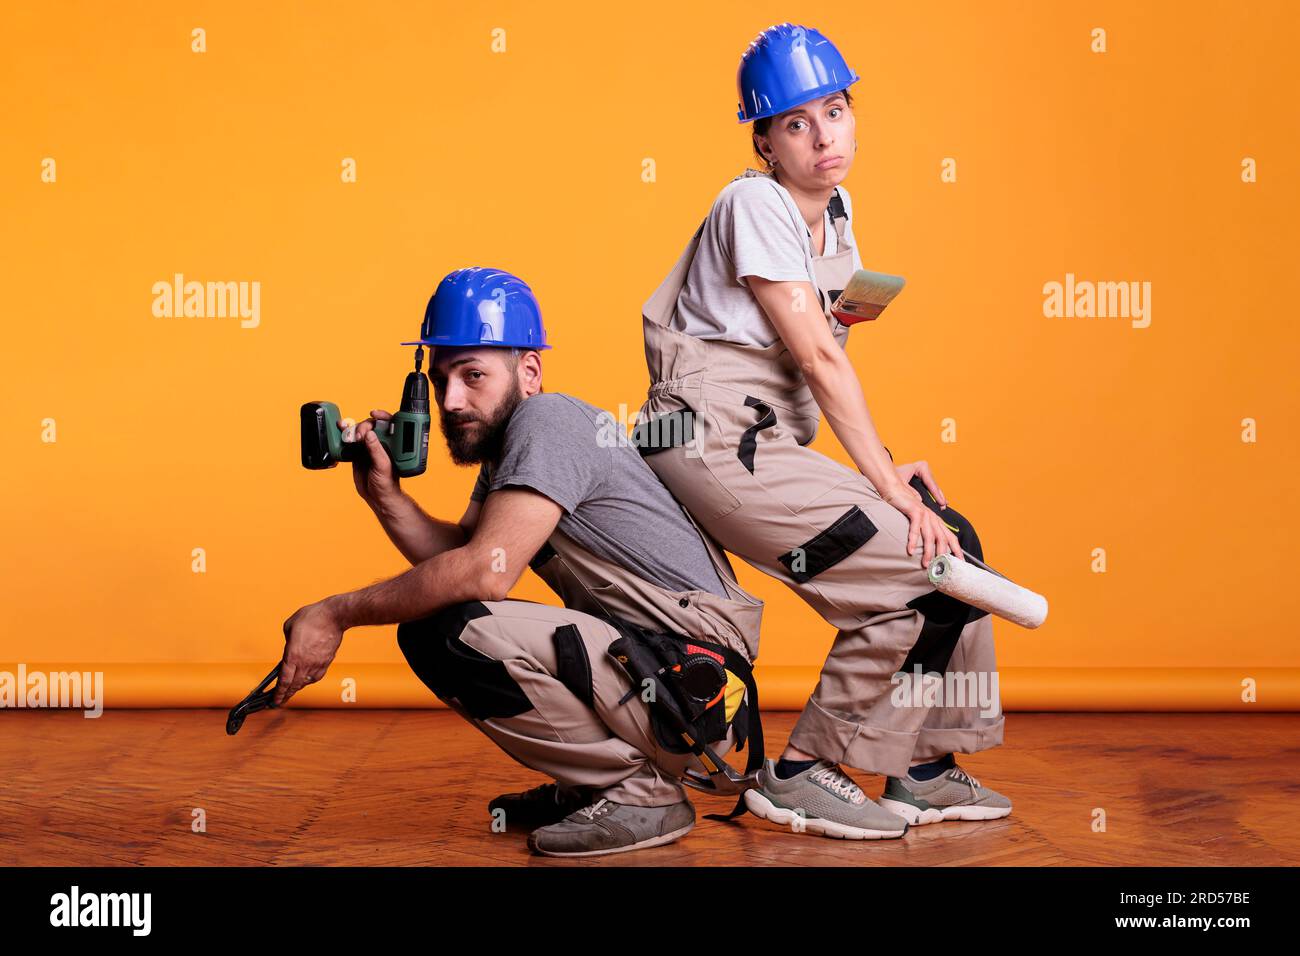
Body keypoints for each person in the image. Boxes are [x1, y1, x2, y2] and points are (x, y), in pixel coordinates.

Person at [634, 22, 1011, 838]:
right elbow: (818, 359)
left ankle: (920, 768)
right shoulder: (753, 204)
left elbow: (827, 351)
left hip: (767, 441)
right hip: (706, 441)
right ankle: (802, 771)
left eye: (834, 112)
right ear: (764, 139)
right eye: (795, 123)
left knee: (956, 540)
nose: (820, 136)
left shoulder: (837, 215)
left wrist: (887, 468)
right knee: (917, 563)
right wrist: (882, 480)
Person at [276, 267, 766, 857]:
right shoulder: (509, 444)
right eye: (441, 380)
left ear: (528, 371)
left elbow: (484, 573)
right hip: (659, 668)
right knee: (447, 615)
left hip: (698, 686)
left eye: (473, 375)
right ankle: (598, 783)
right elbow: (463, 556)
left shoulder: (549, 420)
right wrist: (384, 495)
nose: (452, 400)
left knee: (448, 632)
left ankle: (637, 792)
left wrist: (336, 613)